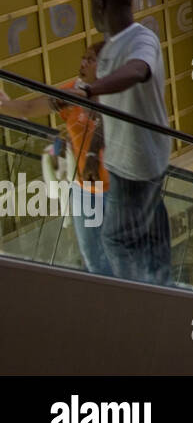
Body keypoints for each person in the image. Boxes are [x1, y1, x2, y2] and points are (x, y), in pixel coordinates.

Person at [77, 0, 171, 286]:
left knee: (116, 240)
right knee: (148, 232)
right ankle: (163, 293)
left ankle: (141, 301)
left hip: (134, 162)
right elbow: (111, 109)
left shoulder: (141, 40)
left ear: (102, 7)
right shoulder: (109, 47)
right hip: (137, 158)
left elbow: (136, 71)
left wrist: (92, 89)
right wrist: (93, 151)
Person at [0, 42, 110, 275]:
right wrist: (4, 104)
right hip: (87, 190)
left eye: (90, 59)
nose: (82, 63)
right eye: (83, 57)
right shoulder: (71, 93)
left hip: (118, 189)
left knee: (121, 257)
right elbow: (29, 108)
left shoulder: (120, 95)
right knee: (94, 260)